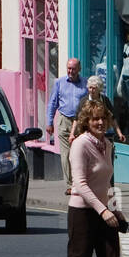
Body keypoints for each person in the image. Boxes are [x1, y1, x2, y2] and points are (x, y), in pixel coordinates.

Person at [29, 99, 128, 257]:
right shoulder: (80, 145)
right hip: (82, 213)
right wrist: (103, 211)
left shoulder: (108, 145)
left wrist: (116, 210)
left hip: (105, 214)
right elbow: (80, 185)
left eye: (104, 118)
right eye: (95, 119)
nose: (100, 122)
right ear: (86, 121)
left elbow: (108, 182)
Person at [45, 58, 86, 190]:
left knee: (80, 153)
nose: (71, 71)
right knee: (66, 154)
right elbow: (52, 103)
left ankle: (80, 182)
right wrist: (49, 122)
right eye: (69, 68)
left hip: (81, 122)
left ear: (79, 69)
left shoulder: (85, 84)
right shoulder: (59, 83)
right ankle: (70, 185)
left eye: (73, 69)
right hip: (64, 120)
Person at [84, 75, 123, 142]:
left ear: (99, 89)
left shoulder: (105, 100)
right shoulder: (84, 101)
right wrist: (73, 134)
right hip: (88, 135)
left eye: (94, 88)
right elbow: (78, 119)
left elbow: (112, 117)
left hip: (103, 133)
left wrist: (119, 133)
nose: (91, 90)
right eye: (90, 88)